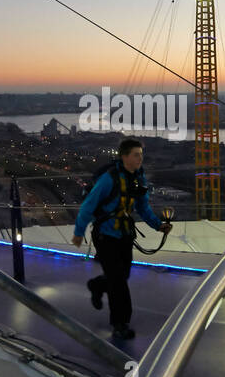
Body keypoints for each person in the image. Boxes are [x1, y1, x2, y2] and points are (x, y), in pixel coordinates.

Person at [71, 138, 171, 340]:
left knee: (121, 277)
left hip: (125, 236)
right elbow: (88, 206)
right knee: (118, 282)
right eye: (136, 154)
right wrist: (79, 233)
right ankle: (120, 323)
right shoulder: (109, 179)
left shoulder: (139, 179)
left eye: (141, 154)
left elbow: (143, 207)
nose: (140, 158)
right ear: (124, 156)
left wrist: (158, 225)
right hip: (105, 236)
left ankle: (98, 285)